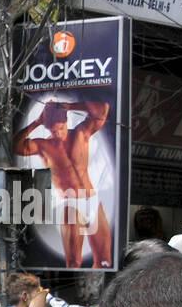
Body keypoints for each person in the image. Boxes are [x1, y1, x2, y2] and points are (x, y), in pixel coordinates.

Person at [12, 99, 114, 270]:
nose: (58, 133)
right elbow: (15, 146)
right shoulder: (44, 146)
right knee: (73, 262)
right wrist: (37, 122)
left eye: (60, 128)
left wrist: (70, 106)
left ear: (67, 121)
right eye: (53, 130)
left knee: (105, 261)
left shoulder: (82, 133)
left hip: (91, 199)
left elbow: (103, 108)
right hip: (70, 203)